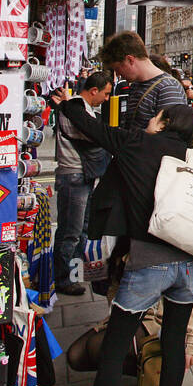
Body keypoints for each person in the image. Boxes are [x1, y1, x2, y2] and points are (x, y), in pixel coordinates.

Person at [50, 95, 193, 386]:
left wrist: (70, 102)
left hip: (148, 262)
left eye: (156, 117)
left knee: (115, 346)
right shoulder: (192, 158)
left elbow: (89, 126)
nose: (150, 120)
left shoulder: (135, 143)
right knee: (174, 343)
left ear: (163, 123)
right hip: (190, 266)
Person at [53, 71, 113, 296]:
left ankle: (75, 273)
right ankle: (63, 278)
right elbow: (92, 135)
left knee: (82, 230)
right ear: (94, 90)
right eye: (105, 94)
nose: (107, 99)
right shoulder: (76, 109)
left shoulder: (81, 108)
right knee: (71, 231)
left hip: (84, 176)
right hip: (73, 175)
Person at [101, 32, 186, 130]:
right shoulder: (135, 85)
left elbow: (168, 138)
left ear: (130, 60)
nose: (118, 74)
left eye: (118, 68)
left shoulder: (169, 88)